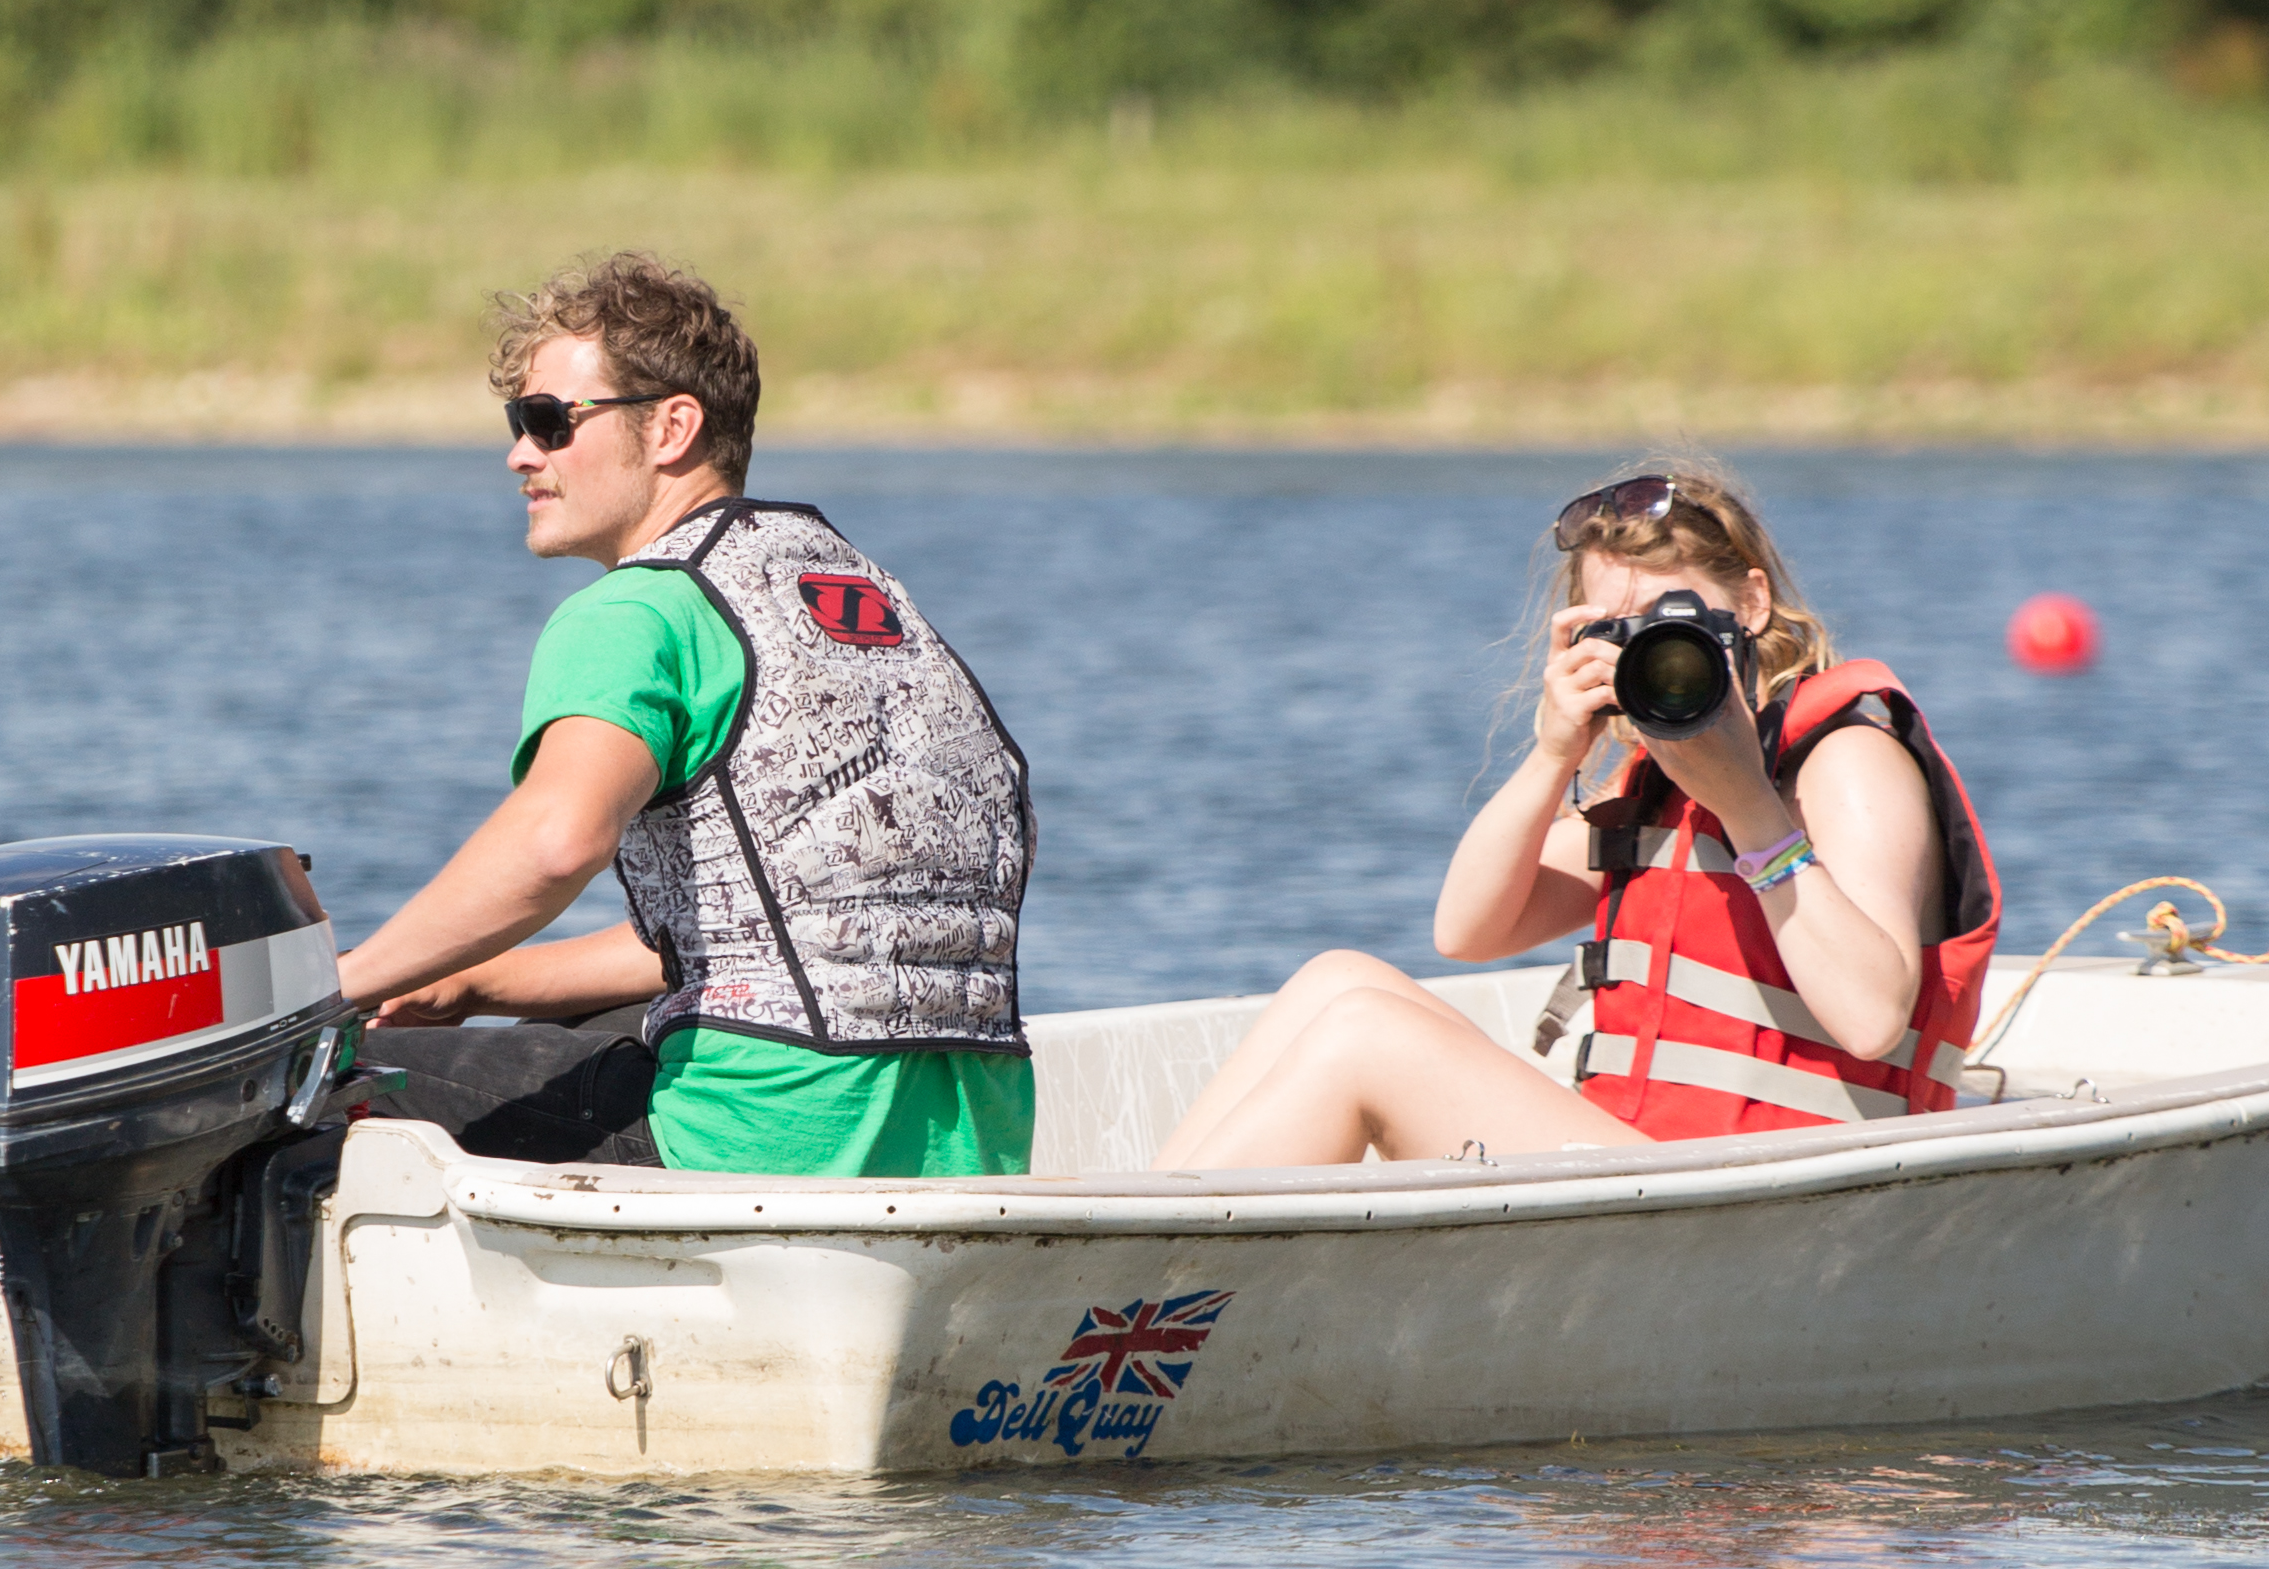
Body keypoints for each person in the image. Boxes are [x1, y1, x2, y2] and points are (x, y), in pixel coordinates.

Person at [334, 250, 1038, 1180]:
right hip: (968, 1139)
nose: (519, 454)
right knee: (593, 1023)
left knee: (318, 1077)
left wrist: (329, 990)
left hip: (769, 1131)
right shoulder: (857, 592)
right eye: (518, 425)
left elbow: (555, 844)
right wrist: (482, 981)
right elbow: (771, 919)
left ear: (672, 427)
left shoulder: (637, 610)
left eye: (549, 423)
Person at [1154, 462, 1998, 1177]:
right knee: (1338, 981)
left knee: (1364, 1037)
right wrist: (1554, 753)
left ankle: (1130, 1295)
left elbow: (1872, 1017)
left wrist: (1746, 801)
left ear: (1750, 602)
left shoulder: (1844, 764)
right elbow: (1467, 931)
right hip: (1642, 1172)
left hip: (1779, 1196)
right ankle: (1118, 1262)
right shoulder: (1660, 782)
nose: (1650, 649)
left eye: (1671, 618)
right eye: (1613, 630)